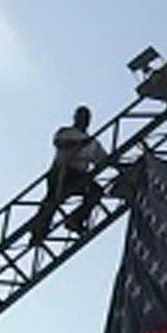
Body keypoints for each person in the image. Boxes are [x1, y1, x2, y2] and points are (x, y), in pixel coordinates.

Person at [28, 105, 106, 246]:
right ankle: (38, 231)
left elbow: (104, 160)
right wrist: (78, 144)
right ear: (75, 118)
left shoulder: (93, 143)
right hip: (61, 171)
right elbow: (60, 142)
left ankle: (76, 219)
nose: (82, 120)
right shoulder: (66, 131)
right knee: (52, 201)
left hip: (79, 175)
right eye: (80, 117)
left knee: (96, 192)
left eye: (85, 118)